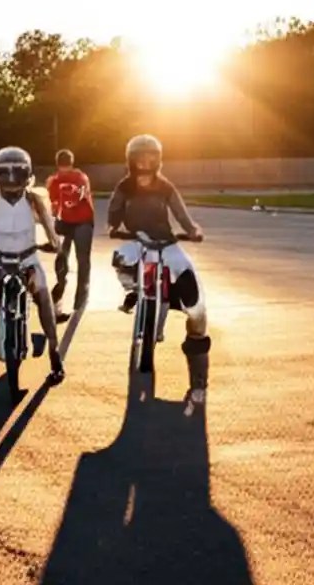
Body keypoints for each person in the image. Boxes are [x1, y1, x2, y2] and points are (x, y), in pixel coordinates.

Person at [107, 134, 210, 405]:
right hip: (136, 240)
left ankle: (199, 381)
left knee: (197, 306)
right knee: (120, 259)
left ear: (158, 159)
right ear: (130, 160)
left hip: (167, 243)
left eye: (150, 156)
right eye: (139, 157)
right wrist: (114, 225)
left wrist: (193, 230)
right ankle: (133, 290)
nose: (144, 162)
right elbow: (113, 212)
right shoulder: (124, 186)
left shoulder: (165, 187)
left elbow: (181, 214)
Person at [0, 146, 65, 384]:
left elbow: (52, 232)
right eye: (4, 173)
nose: (10, 179)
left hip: (26, 259)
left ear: (26, 175)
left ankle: (55, 354)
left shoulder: (34, 200)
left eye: (16, 173)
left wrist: (52, 244)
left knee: (42, 296)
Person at [46, 149, 95, 322]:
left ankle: (80, 295)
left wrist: (67, 201)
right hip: (68, 221)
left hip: (82, 221)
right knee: (67, 258)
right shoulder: (57, 181)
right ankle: (65, 290)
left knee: (81, 259)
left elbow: (81, 193)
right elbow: (52, 203)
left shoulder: (79, 178)